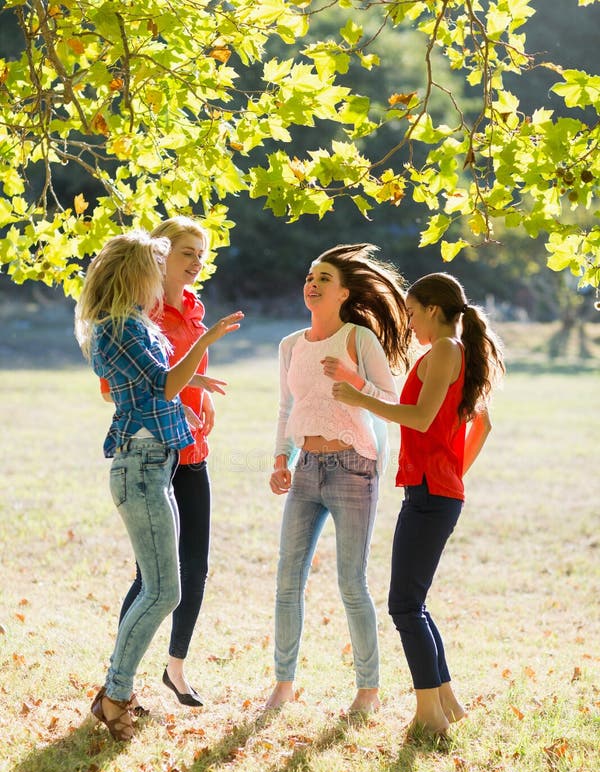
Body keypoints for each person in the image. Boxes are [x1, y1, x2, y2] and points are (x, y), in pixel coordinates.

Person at [75, 229, 243, 740]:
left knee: (164, 587)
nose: (161, 277)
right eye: (156, 267)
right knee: (163, 589)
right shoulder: (121, 327)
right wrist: (207, 344)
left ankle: (115, 692)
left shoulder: (133, 324)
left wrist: (191, 395)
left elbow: (157, 385)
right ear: (137, 274)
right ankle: (115, 695)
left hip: (154, 464)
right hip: (141, 467)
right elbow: (162, 383)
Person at [333, 272, 505, 737]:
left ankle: (429, 714)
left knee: (404, 607)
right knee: (415, 604)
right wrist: (452, 474)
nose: (410, 323)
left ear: (433, 309)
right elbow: (482, 425)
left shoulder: (446, 349)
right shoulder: (456, 352)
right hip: (435, 491)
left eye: (411, 313)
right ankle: (447, 703)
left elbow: (422, 418)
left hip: (431, 494)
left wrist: (359, 398)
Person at [266, 244, 411, 713]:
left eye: (324, 278)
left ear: (344, 293)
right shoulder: (290, 345)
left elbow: (391, 401)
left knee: (352, 582)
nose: (313, 283)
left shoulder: (358, 338)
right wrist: (281, 459)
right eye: (310, 277)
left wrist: (353, 378)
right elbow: (287, 408)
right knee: (288, 580)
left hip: (353, 467)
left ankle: (368, 690)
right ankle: (283, 685)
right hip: (306, 468)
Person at [100, 216, 226, 708]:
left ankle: (176, 668)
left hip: (192, 449)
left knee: (196, 567)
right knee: (152, 577)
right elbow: (121, 387)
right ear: (161, 254)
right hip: (154, 452)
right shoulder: (139, 316)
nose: (196, 262)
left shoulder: (194, 310)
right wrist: (182, 388)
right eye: (186, 252)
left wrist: (202, 397)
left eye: (201, 254)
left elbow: (187, 376)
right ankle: (120, 678)